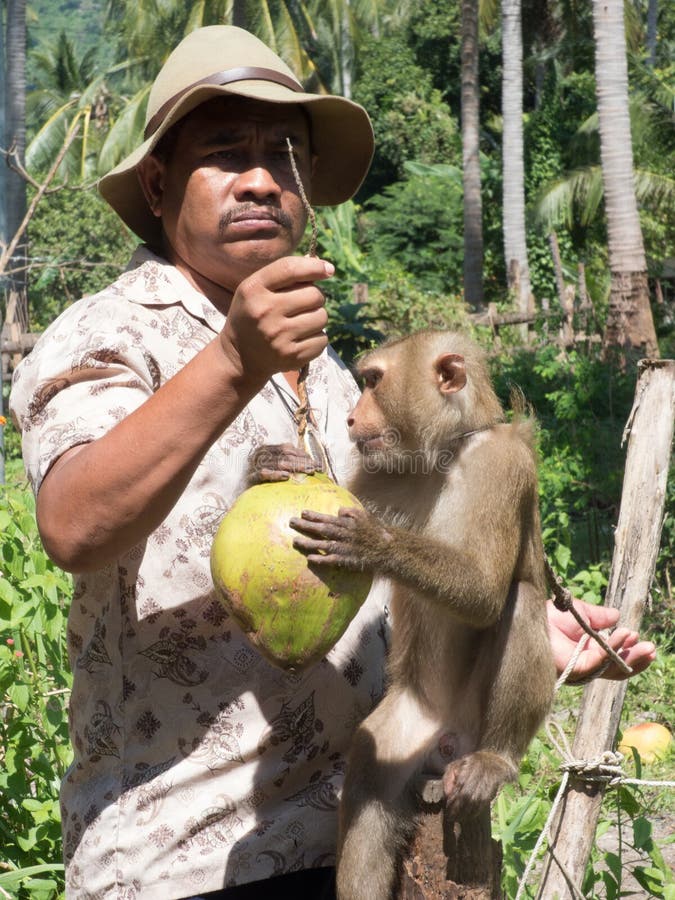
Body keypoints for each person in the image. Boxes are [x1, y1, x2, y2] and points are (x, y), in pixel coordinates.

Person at [9, 25, 655, 900]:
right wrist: (235, 361)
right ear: (159, 185)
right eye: (225, 153)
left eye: (283, 156)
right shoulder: (106, 332)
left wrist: (511, 640)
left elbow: (351, 566)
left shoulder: (325, 369)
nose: (260, 179)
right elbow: (74, 525)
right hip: (184, 856)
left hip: (353, 829)